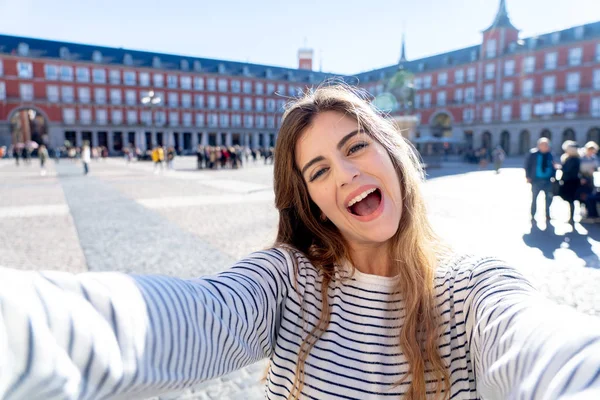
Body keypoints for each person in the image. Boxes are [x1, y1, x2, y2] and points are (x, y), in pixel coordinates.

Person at [0, 84, 599, 400]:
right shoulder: (287, 281)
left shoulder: (470, 290)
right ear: (309, 200)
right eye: (317, 172)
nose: (344, 175)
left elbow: (544, 349)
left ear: (392, 153)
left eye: (356, 147)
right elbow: (184, 319)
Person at [525, 137, 556, 222]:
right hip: (536, 180)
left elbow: (553, 166)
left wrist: (554, 176)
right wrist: (528, 176)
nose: (545, 146)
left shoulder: (550, 154)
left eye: (546, 145)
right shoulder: (533, 154)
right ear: (539, 145)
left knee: (548, 199)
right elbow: (527, 165)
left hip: (547, 180)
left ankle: (547, 214)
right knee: (534, 198)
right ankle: (533, 214)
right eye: (543, 145)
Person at [558, 140, 581, 224]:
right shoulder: (571, 158)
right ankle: (571, 217)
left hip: (571, 181)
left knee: (571, 200)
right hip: (570, 181)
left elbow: (567, 170)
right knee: (570, 200)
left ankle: (571, 217)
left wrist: (560, 167)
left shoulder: (573, 159)